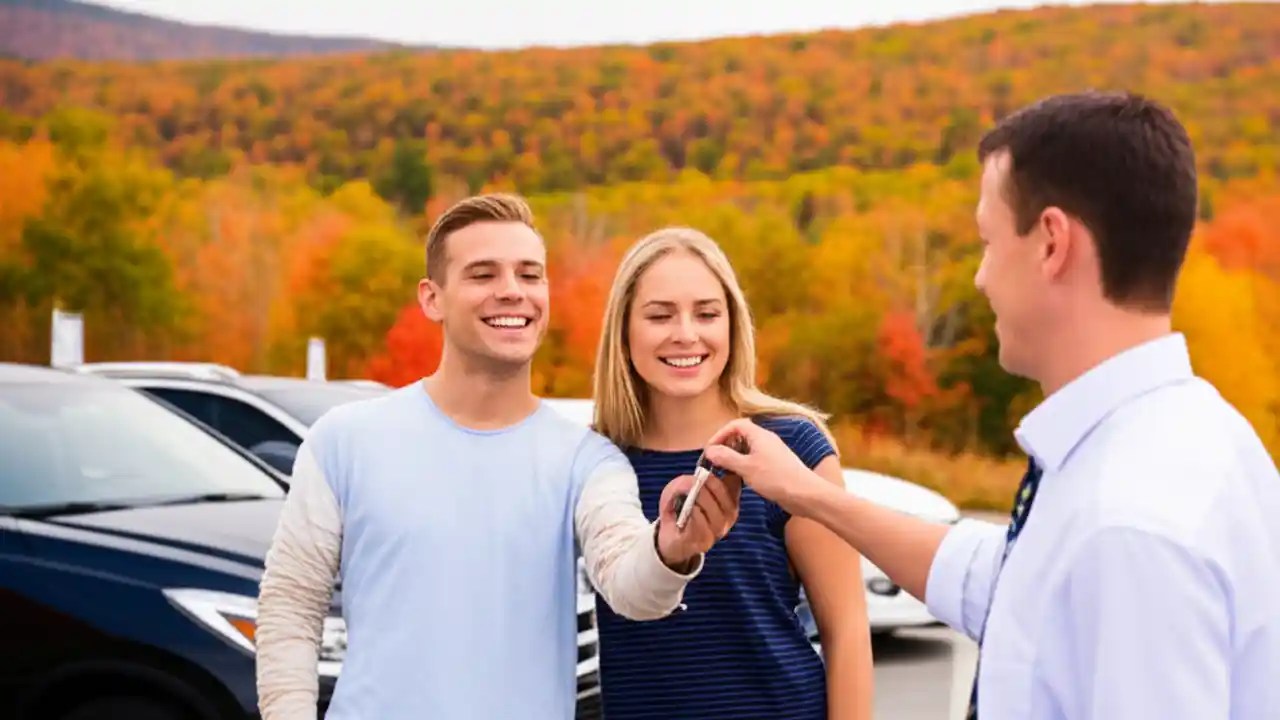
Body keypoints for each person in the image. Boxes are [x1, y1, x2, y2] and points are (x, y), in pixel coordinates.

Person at [703, 90, 1280, 719]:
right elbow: (1004, 586)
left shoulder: (1129, 526)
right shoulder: (1193, 438)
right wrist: (808, 495)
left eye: (987, 240)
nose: (980, 277)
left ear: (1052, 243)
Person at [254, 194, 742, 719]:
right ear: (432, 298)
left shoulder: (586, 459)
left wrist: (670, 550)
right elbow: (290, 608)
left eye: (530, 276)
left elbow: (632, 588)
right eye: (483, 275)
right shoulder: (343, 441)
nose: (512, 292)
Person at [589, 227, 875, 720]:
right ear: (624, 331)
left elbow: (846, 629)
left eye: (707, 313)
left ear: (732, 324)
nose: (686, 333)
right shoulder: (594, 463)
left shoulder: (792, 447)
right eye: (660, 315)